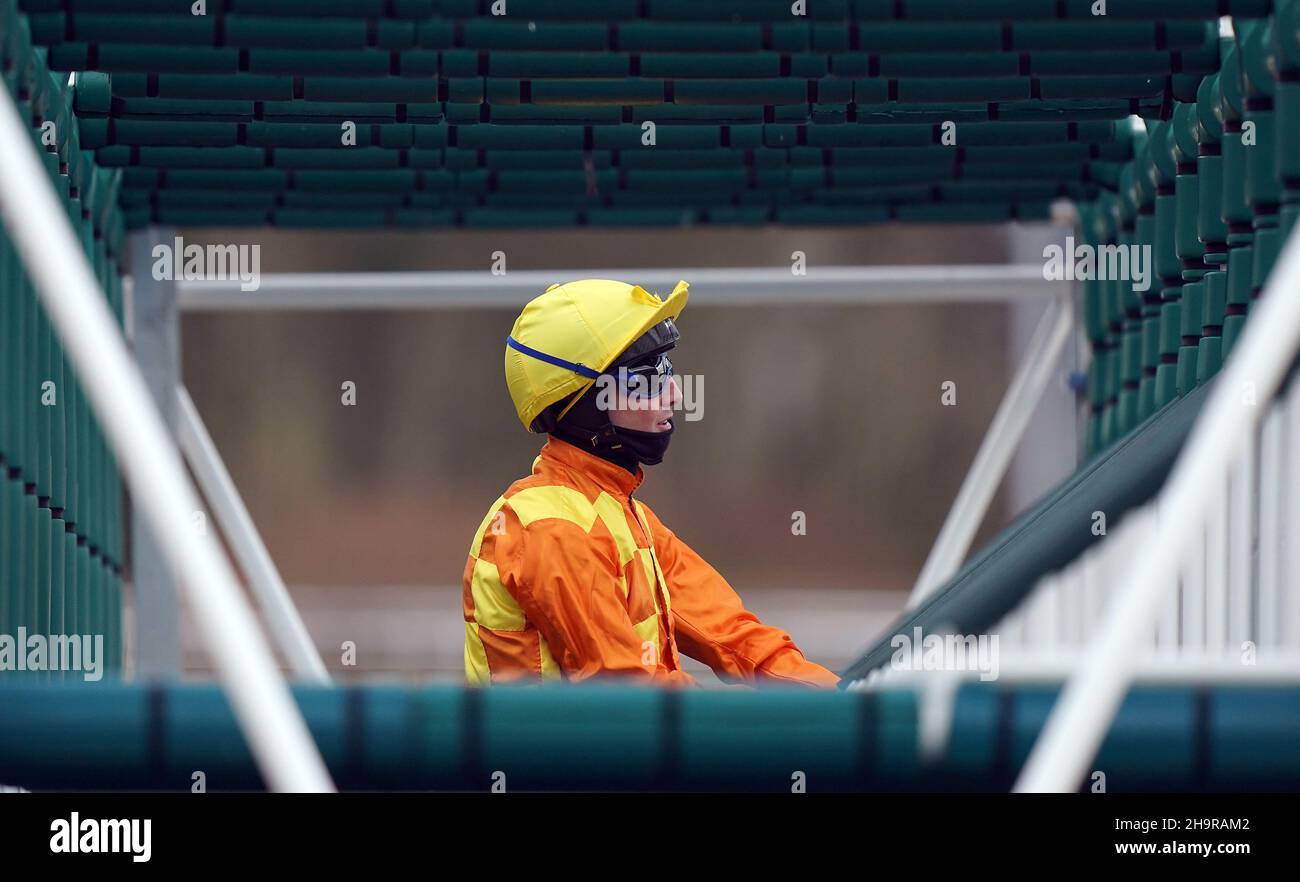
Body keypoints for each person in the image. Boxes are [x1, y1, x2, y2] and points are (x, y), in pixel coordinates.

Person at [462, 279, 839, 688]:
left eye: (668, 371)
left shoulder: (626, 517)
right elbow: (631, 693)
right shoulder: (551, 530)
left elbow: (734, 636)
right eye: (648, 378)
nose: (675, 393)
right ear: (585, 403)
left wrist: (839, 699)